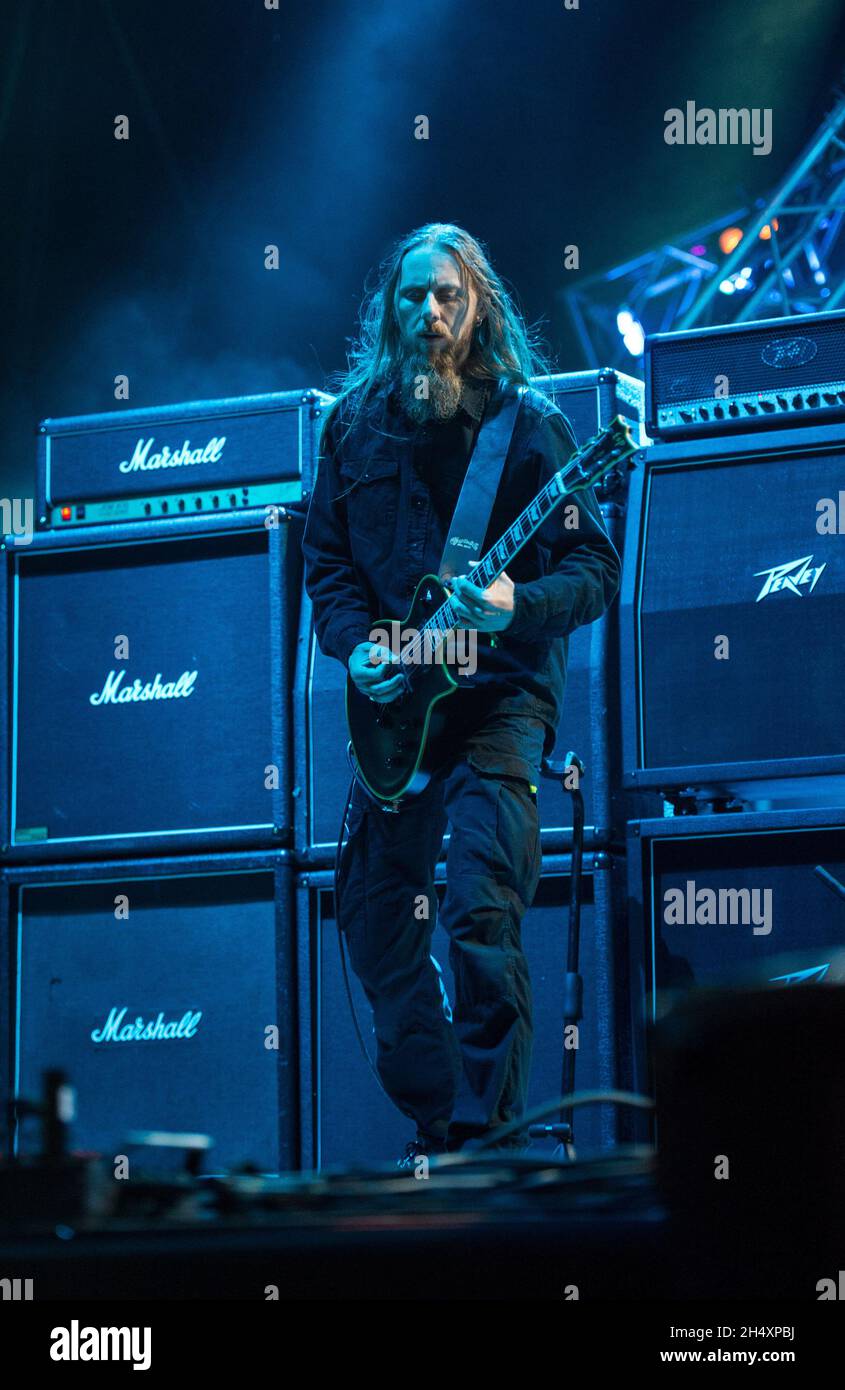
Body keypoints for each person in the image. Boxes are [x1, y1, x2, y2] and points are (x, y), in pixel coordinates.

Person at [302, 223, 621, 1164]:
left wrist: (515, 600)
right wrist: (355, 647)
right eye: (412, 297)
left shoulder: (529, 427)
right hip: (397, 706)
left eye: (447, 296)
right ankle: (443, 1121)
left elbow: (595, 570)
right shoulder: (352, 423)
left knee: (480, 911)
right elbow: (325, 564)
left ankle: (492, 1144)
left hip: (498, 705)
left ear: (477, 304)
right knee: (368, 913)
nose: (430, 313)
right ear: (388, 308)